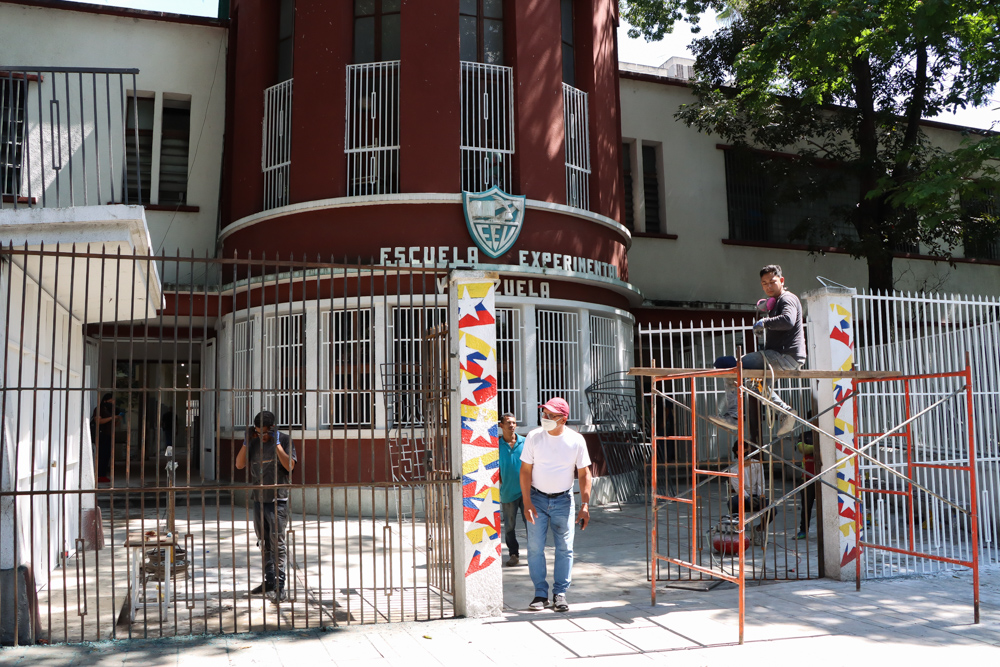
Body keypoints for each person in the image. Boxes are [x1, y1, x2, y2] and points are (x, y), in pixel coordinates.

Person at [709, 264, 806, 436]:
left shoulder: (787, 299)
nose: (768, 286)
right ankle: (785, 412)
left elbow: (788, 320)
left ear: (782, 281)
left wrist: (765, 322)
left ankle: (733, 416)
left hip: (783, 356)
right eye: (764, 283)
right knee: (756, 386)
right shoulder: (776, 303)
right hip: (784, 356)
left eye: (772, 282)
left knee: (727, 365)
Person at [520, 397, 592, 612]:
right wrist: (527, 502)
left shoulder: (576, 440)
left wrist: (585, 505)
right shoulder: (534, 437)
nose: (546, 418)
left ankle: (560, 593)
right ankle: (540, 594)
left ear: (563, 419)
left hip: (564, 500)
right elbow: (525, 471)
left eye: (551, 415)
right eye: (544, 414)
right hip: (537, 499)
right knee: (534, 548)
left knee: (565, 549)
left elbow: (584, 473)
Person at [235, 410, 297, 602]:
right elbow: (239, 465)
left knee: (277, 543)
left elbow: (290, 466)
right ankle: (269, 580)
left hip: (278, 500)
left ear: (273, 429)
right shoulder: (252, 442)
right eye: (258, 432)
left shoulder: (284, 440)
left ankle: (280, 585)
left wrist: (276, 443)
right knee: (264, 542)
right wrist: (246, 442)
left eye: (265, 433)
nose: (262, 437)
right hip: (259, 499)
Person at [727, 440, 774, 545]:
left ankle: (758, 530)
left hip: (757, 495)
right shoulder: (734, 469)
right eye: (741, 449)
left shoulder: (757, 464)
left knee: (772, 509)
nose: (744, 451)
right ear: (736, 452)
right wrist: (747, 498)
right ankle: (739, 531)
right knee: (732, 503)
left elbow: (761, 482)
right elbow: (739, 488)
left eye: (746, 448)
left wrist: (761, 495)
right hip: (743, 496)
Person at [498, 412, 526, 567]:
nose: (512, 425)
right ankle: (513, 554)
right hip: (508, 492)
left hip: (527, 492)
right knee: (509, 527)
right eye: (508, 422)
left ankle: (536, 554)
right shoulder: (496, 446)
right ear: (501, 425)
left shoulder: (525, 442)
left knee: (532, 526)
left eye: (514, 422)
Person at [91, 393, 119, 484]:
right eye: (111, 401)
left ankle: (103, 474)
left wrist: (117, 419)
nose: (112, 403)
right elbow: (98, 421)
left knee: (107, 455)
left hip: (109, 435)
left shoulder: (111, 410)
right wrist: (111, 418)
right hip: (101, 435)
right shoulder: (99, 409)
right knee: (101, 455)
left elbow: (113, 424)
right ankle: (99, 475)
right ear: (105, 400)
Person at [796, 431, 816, 539]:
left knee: (826, 505)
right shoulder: (805, 434)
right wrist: (818, 446)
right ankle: (803, 530)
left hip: (824, 476)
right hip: (807, 477)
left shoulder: (825, 431)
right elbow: (801, 448)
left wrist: (811, 447)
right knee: (806, 506)